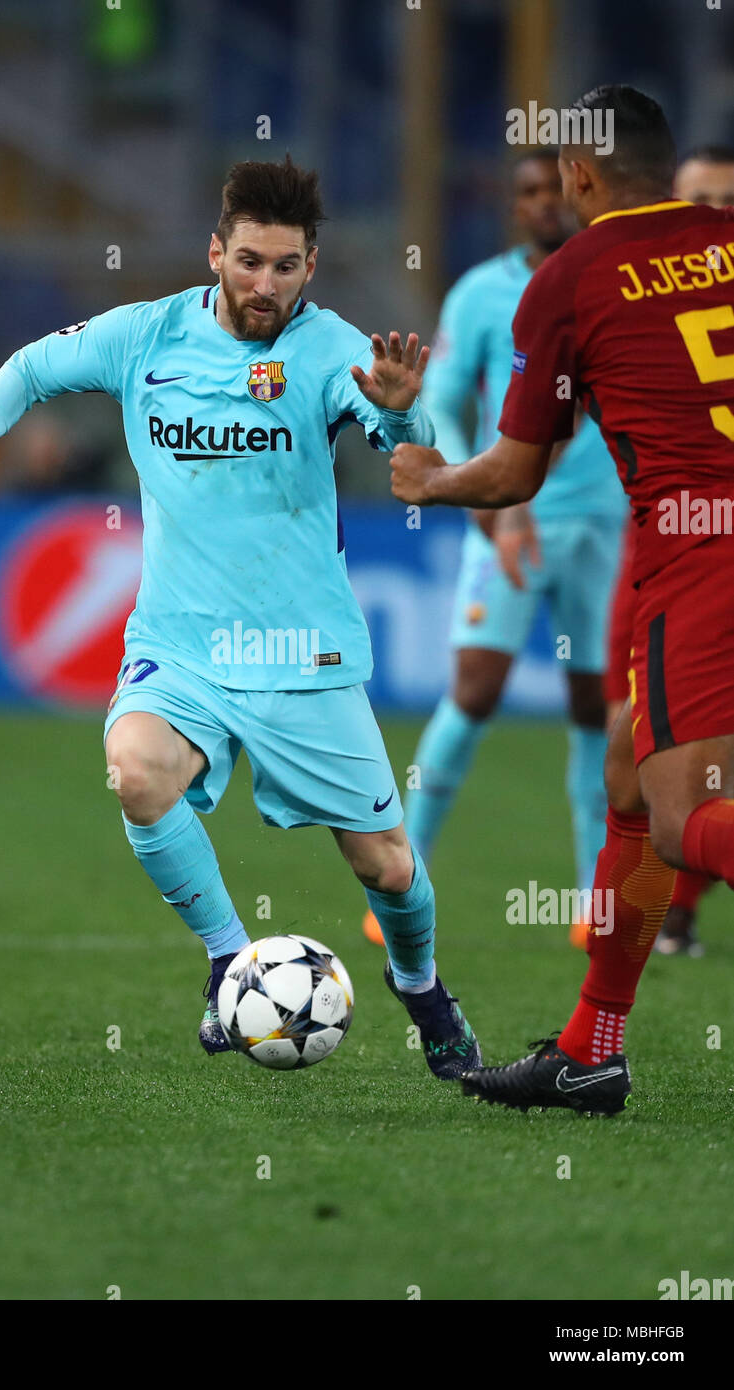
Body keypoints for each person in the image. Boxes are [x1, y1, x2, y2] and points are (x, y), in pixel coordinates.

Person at [0, 156, 481, 1079]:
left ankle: (422, 990)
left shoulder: (335, 348)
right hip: (182, 646)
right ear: (216, 252)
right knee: (136, 774)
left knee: (385, 867)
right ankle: (227, 965)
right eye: (250, 261)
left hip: (305, 653)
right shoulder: (146, 336)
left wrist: (403, 418)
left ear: (311, 268)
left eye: (286, 266)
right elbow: (26, 369)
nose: (266, 285)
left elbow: (418, 473)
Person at [388, 85, 734, 1113]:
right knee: (626, 770)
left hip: (698, 556)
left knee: (680, 824)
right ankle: (591, 1049)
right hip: (681, 550)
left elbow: (513, 471)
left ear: (580, 176)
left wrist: (430, 481)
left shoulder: (572, 278)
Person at [362, 150, 625, 949]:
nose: (542, 203)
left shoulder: (616, 281)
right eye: (527, 192)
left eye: (555, 189)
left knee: (596, 708)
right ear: (514, 206)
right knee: (473, 690)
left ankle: (592, 902)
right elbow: (442, 395)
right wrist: (487, 498)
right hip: (510, 520)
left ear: (581, 194)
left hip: (605, 521)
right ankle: (399, 881)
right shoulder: (480, 294)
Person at [603, 144, 734, 960]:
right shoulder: (632, 294)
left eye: (725, 201)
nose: (710, 217)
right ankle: (593, 1034)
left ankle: (667, 915)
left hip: (709, 544)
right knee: (627, 753)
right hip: (661, 538)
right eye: (698, 201)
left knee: (677, 794)